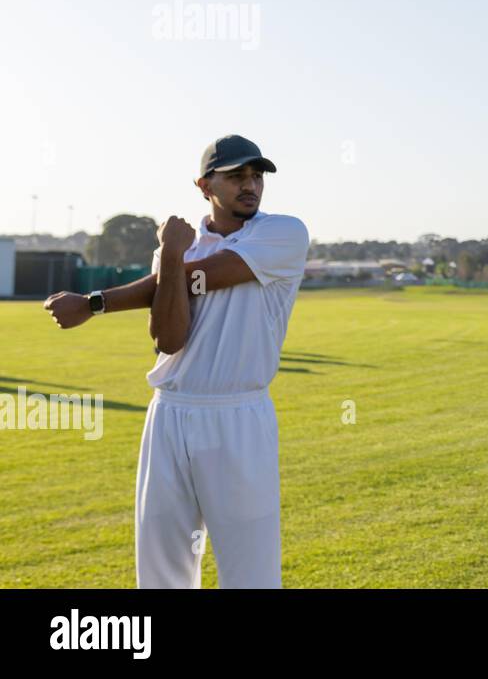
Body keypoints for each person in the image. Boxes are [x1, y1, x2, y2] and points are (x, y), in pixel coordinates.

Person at [44, 134, 309, 588]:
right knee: (162, 568)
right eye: (236, 176)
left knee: (251, 571)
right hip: (168, 412)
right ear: (204, 184)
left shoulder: (282, 233)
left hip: (237, 414)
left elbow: (199, 278)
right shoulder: (176, 249)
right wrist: (168, 256)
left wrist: (93, 303)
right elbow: (169, 339)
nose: (251, 185)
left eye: (256, 176)